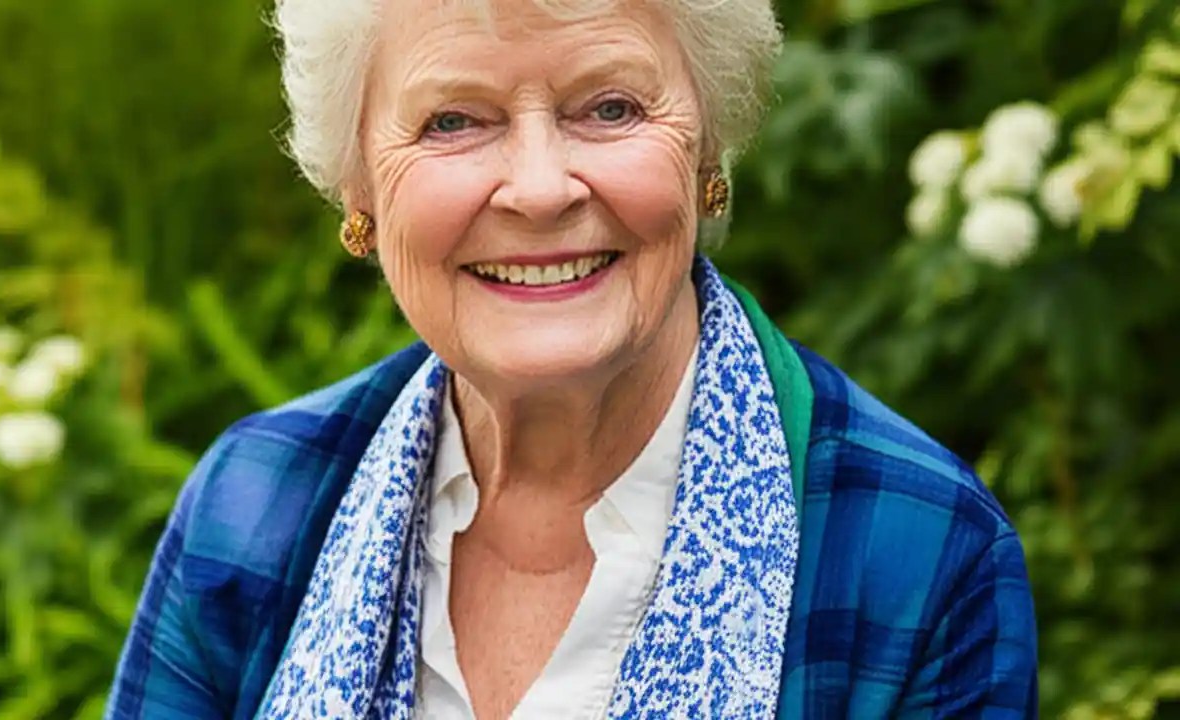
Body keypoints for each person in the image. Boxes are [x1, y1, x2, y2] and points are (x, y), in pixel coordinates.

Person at [106, 0, 1038, 717]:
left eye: (609, 107)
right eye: (452, 121)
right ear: (359, 187)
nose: (541, 189)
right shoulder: (249, 504)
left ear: (709, 142)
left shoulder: (922, 553)